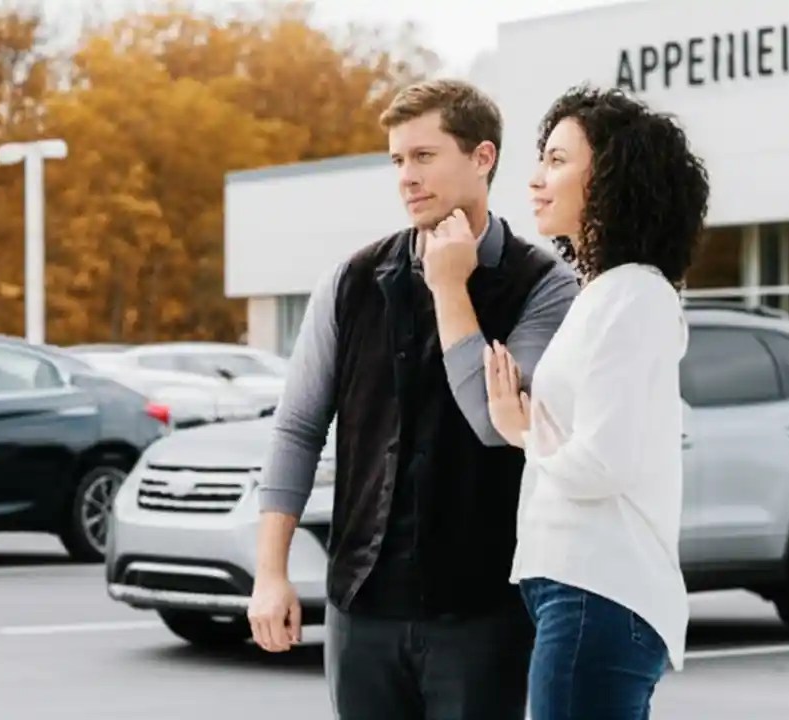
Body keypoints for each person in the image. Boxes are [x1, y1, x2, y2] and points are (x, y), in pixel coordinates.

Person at [246, 78, 580, 720]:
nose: (406, 176)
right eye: (398, 159)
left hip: (484, 612)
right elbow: (296, 429)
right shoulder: (350, 280)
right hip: (362, 610)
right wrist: (271, 572)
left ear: (483, 158)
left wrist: (450, 286)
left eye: (424, 156)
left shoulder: (546, 288)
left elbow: (495, 424)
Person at [484, 85, 710, 719]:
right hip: (580, 590)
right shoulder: (607, 294)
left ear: (612, 178)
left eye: (558, 160)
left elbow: (603, 463)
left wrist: (519, 428)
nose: (534, 180)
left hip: (598, 591)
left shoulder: (633, 297)